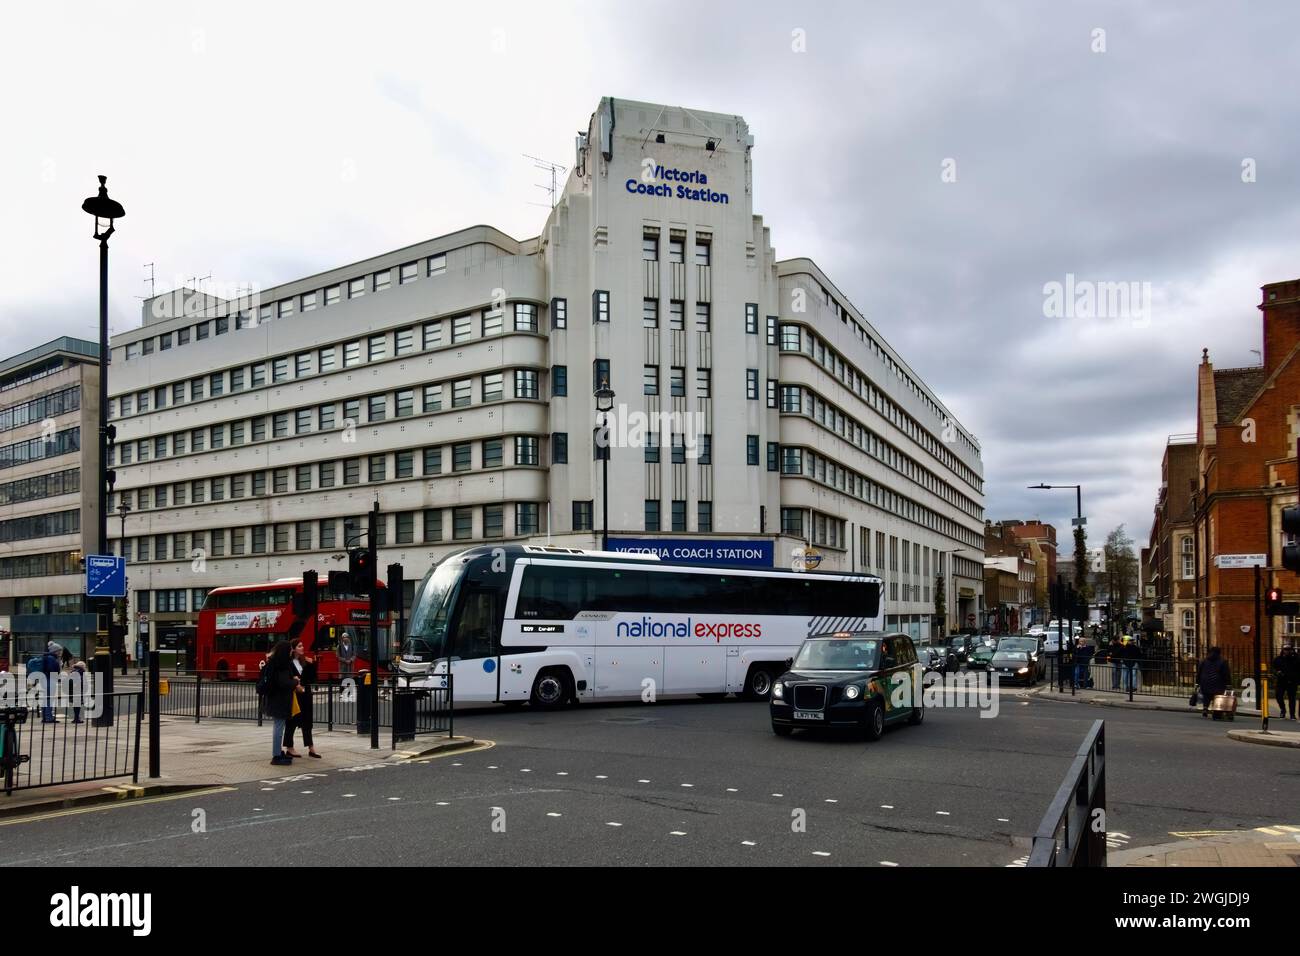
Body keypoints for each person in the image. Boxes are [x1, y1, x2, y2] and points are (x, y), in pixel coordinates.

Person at [261, 641, 300, 766]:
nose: (291, 652)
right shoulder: (281, 666)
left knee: (278, 727)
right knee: (278, 728)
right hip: (279, 701)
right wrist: (294, 682)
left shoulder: (275, 663)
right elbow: (284, 683)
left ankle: (277, 752)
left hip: (275, 699)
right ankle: (276, 756)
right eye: (289, 650)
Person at [283, 639, 321, 758]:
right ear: (293, 649)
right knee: (292, 721)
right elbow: (288, 678)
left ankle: (311, 747)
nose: (303, 648)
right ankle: (289, 747)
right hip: (295, 695)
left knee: (307, 721)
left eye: (302, 645)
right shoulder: (288, 663)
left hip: (306, 694)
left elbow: (312, 678)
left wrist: (313, 664)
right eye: (300, 646)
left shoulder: (304, 661)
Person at [1196, 646, 1231, 718]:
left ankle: (1205, 708)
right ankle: (1216, 710)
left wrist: (1197, 682)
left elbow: (1199, 672)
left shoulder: (1204, 660)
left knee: (1206, 695)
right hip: (1218, 682)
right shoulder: (1223, 661)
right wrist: (1228, 683)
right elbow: (1226, 673)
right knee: (1217, 696)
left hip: (1205, 681)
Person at [1271, 643, 1300, 720]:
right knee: (1278, 696)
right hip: (1281, 681)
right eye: (1285, 649)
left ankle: (1292, 714)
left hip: (1292, 681)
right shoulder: (1278, 659)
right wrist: (1277, 672)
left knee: (1292, 699)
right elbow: (1273, 668)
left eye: (1289, 649)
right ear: (1282, 650)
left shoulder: (1296, 659)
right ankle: (1283, 710)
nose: (1287, 651)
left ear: (1292, 650)